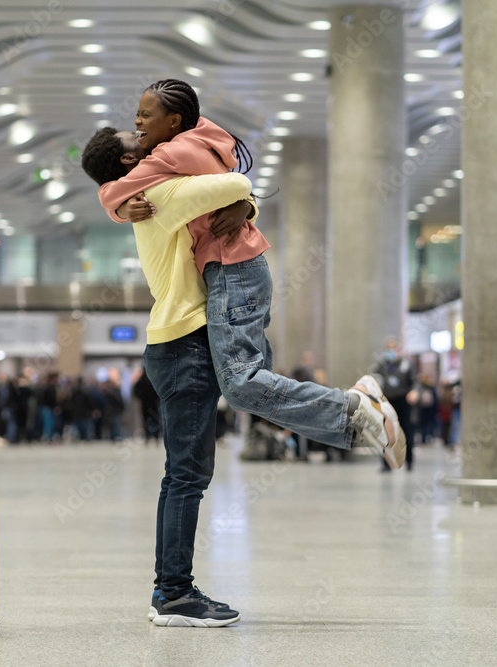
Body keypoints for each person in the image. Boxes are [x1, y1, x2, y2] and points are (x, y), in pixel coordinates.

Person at [82, 110, 404, 628]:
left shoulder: (143, 197)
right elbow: (231, 181)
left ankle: (170, 591)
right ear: (128, 161)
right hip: (186, 343)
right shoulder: (158, 195)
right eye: (135, 136)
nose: (146, 136)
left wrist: (240, 202)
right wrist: (242, 197)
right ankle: (173, 594)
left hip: (177, 343)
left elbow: (224, 195)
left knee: (183, 474)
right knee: (189, 473)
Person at [371, 337, 417, 471]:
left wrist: (414, 392)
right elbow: (374, 379)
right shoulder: (382, 365)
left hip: (403, 401)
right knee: (385, 432)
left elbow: (415, 382)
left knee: (406, 431)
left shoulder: (407, 365)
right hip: (387, 401)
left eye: (393, 348)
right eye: (388, 349)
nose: (391, 351)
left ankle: (409, 461)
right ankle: (386, 463)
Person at [133, 369, 161, 445]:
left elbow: (135, 391)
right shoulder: (153, 380)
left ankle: (147, 437)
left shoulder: (141, 381)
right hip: (153, 404)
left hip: (145, 405)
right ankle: (156, 437)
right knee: (155, 420)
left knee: (146, 421)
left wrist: (141, 397)